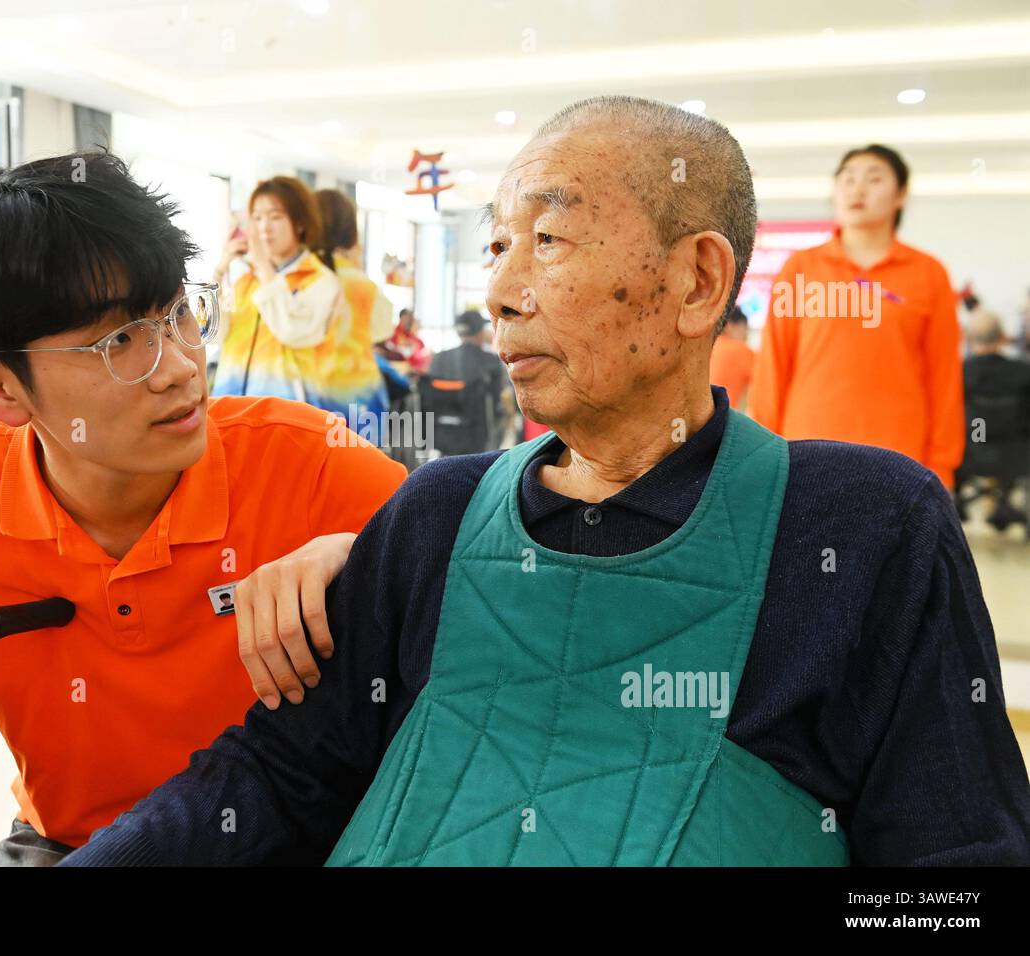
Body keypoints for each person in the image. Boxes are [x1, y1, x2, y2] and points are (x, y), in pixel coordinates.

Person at [62, 97, 1030, 867]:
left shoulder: (865, 531)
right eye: (495, 246)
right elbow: (273, 778)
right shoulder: (434, 514)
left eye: (549, 241)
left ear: (696, 283)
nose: (497, 290)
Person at [0, 152, 407, 865]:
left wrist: (361, 553)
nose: (180, 367)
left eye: (179, 314)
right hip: (66, 845)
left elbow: (496, 581)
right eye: (119, 342)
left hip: (298, 842)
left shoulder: (303, 461)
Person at [748, 143, 965, 490]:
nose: (857, 189)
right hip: (805, 455)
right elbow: (773, 365)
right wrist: (761, 455)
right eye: (847, 179)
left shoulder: (928, 273)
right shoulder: (801, 268)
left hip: (900, 461)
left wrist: (942, 466)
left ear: (901, 195)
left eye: (874, 179)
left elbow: (944, 378)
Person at [210, 177, 342, 409]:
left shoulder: (320, 280)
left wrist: (264, 268)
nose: (264, 227)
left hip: (286, 415)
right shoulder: (247, 280)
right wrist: (220, 272)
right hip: (231, 408)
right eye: (257, 218)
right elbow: (213, 335)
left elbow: (293, 331)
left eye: (275, 217)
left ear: (300, 223)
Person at [311, 188, 393, 420]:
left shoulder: (297, 275)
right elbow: (382, 329)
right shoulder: (360, 282)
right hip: (361, 400)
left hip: (306, 398)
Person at [955, 308, 1030, 530]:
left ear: (968, 338)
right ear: (1003, 337)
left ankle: (959, 505)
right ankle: (1004, 502)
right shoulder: (1024, 373)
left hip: (971, 455)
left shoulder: (961, 372)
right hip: (1018, 457)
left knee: (977, 430)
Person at [426, 309, 509, 454]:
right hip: (476, 437)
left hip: (440, 432)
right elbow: (497, 399)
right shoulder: (490, 361)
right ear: (480, 332)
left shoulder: (439, 358)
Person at [709, 306, 754, 410]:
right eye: (744, 329)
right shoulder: (741, 350)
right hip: (727, 417)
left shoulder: (710, 346)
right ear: (730, 326)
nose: (746, 335)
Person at [378, 308, 431, 373]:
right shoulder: (394, 331)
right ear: (401, 318)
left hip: (412, 358)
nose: (407, 321)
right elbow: (390, 346)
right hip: (401, 357)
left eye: (409, 319)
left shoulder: (410, 333)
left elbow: (419, 344)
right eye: (406, 318)